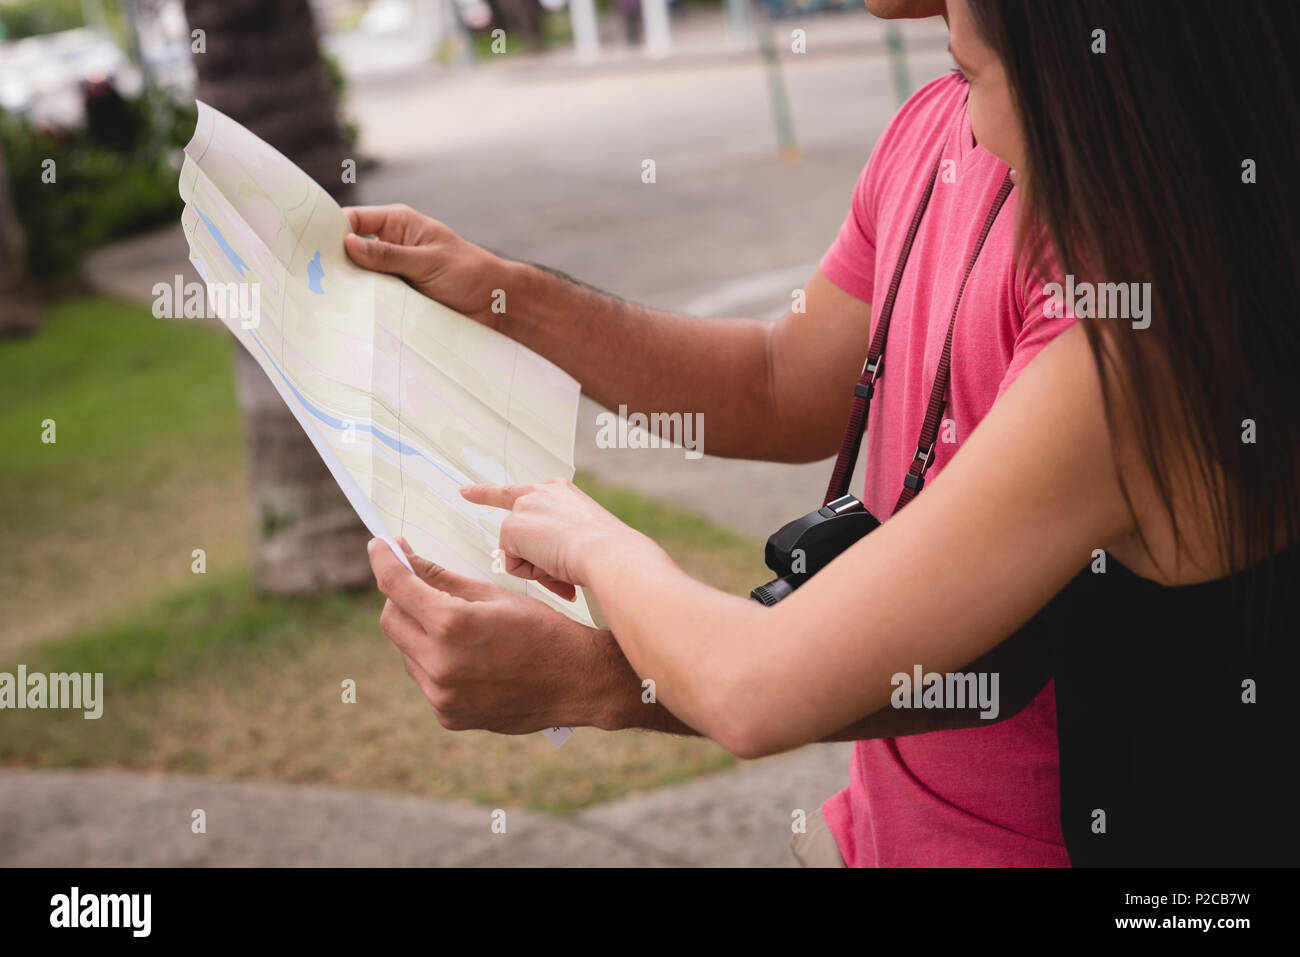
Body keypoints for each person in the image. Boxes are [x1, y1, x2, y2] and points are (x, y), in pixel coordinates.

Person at [348, 0, 1076, 868]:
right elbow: (776, 383)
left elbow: (984, 660)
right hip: (867, 834)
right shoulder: (935, 122)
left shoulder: (1098, 266)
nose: (976, 114)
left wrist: (592, 647)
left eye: (976, 75)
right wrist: (506, 296)